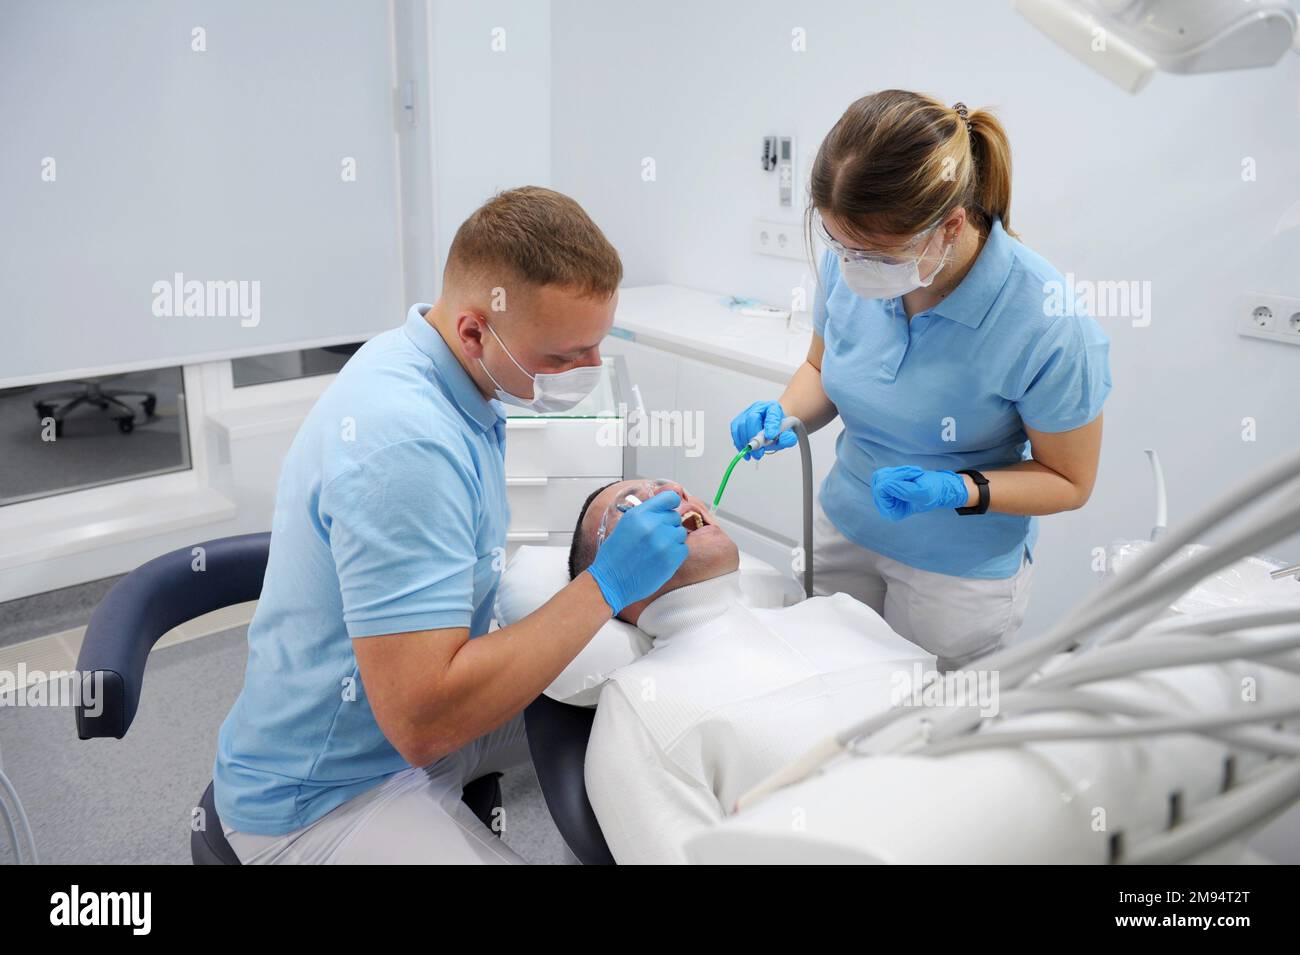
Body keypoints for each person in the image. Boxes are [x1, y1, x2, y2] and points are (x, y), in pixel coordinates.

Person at [214, 188, 689, 864]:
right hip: (326, 794)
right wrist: (606, 584)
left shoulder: (446, 372)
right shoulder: (406, 442)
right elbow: (421, 722)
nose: (587, 373)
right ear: (474, 331)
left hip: (396, 720)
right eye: (561, 357)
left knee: (632, 707)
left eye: (596, 348)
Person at [730, 90, 1112, 670]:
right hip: (846, 526)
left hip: (956, 576)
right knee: (822, 693)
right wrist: (785, 413)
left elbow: (1068, 479)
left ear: (950, 225)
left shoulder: (1048, 321)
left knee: (919, 732)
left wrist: (959, 489)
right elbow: (820, 368)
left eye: (876, 255)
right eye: (839, 245)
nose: (850, 265)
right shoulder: (850, 257)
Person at [568, 479, 932, 865]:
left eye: (669, 487)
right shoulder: (639, 702)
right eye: (632, 505)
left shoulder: (843, 612)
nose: (673, 495)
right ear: (609, 570)